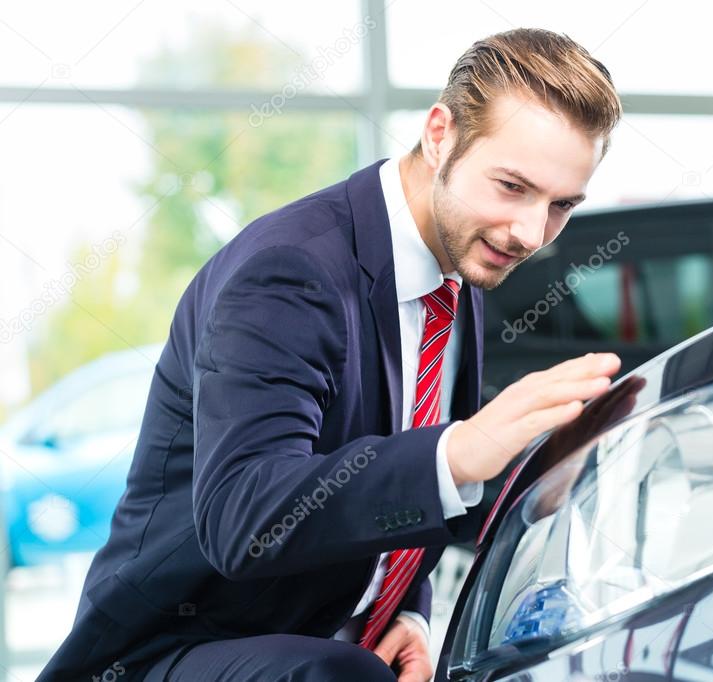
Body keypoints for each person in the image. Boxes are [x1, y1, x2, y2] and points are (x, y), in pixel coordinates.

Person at [39, 27, 623, 682]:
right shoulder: (290, 269)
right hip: (166, 654)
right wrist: (457, 451)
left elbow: (389, 485)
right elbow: (243, 515)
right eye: (512, 186)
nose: (530, 233)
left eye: (561, 205)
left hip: (324, 635)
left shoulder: (459, 272)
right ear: (440, 134)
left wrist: (408, 613)